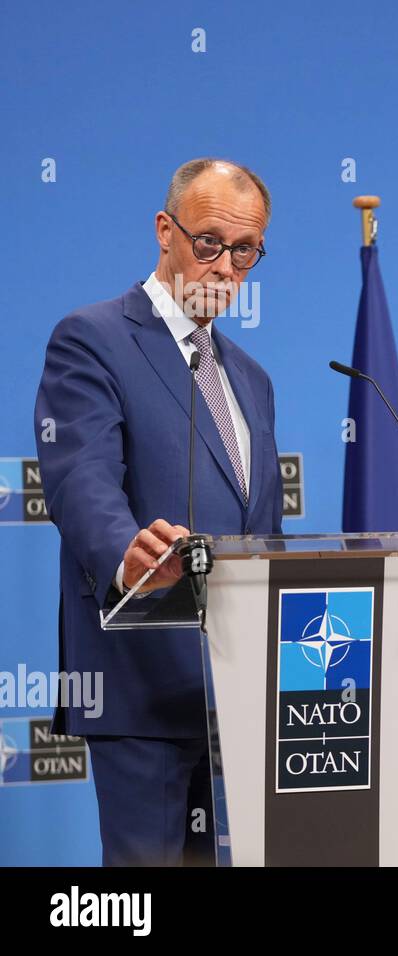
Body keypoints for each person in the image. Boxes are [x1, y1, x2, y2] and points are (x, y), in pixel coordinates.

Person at [34, 158, 283, 866]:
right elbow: (81, 478)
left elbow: (264, 534)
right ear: (164, 231)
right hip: (142, 682)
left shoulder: (254, 382)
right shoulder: (92, 338)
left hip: (240, 695)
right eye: (209, 242)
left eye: (245, 251)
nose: (226, 266)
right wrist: (127, 554)